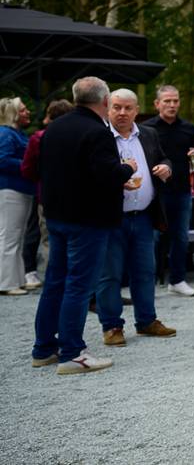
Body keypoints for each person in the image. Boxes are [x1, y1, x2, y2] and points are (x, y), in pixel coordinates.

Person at [32, 77, 135, 374]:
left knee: (55, 281)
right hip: (88, 220)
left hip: (57, 216)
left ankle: (43, 348)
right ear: (104, 102)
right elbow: (108, 175)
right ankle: (72, 352)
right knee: (78, 284)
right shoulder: (97, 132)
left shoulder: (54, 128)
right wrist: (128, 167)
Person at [97, 89, 177, 346]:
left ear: (137, 110)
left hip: (143, 215)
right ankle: (111, 326)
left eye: (127, 108)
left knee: (144, 271)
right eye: (117, 107)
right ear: (108, 108)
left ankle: (146, 321)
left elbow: (163, 158)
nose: (122, 113)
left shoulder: (149, 134)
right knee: (110, 275)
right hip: (112, 217)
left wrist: (167, 167)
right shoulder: (99, 136)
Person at [143, 85, 194, 297]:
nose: (172, 105)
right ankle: (146, 282)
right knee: (152, 238)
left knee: (181, 237)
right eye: (167, 101)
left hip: (181, 190)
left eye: (175, 101)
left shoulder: (188, 128)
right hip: (154, 191)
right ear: (157, 103)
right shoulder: (146, 128)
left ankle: (177, 280)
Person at [20, 99, 73, 290]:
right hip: (77, 196)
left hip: (48, 196)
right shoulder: (81, 134)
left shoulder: (39, 137)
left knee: (50, 240)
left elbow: (28, 169)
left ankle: (56, 280)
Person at [1, 97, 35, 296]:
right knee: (9, 236)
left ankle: (16, 278)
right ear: (13, 114)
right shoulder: (7, 134)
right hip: (11, 189)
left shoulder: (14, 133)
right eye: (22, 110)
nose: (27, 112)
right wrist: (27, 165)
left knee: (14, 236)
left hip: (18, 189)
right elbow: (2, 159)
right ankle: (6, 282)